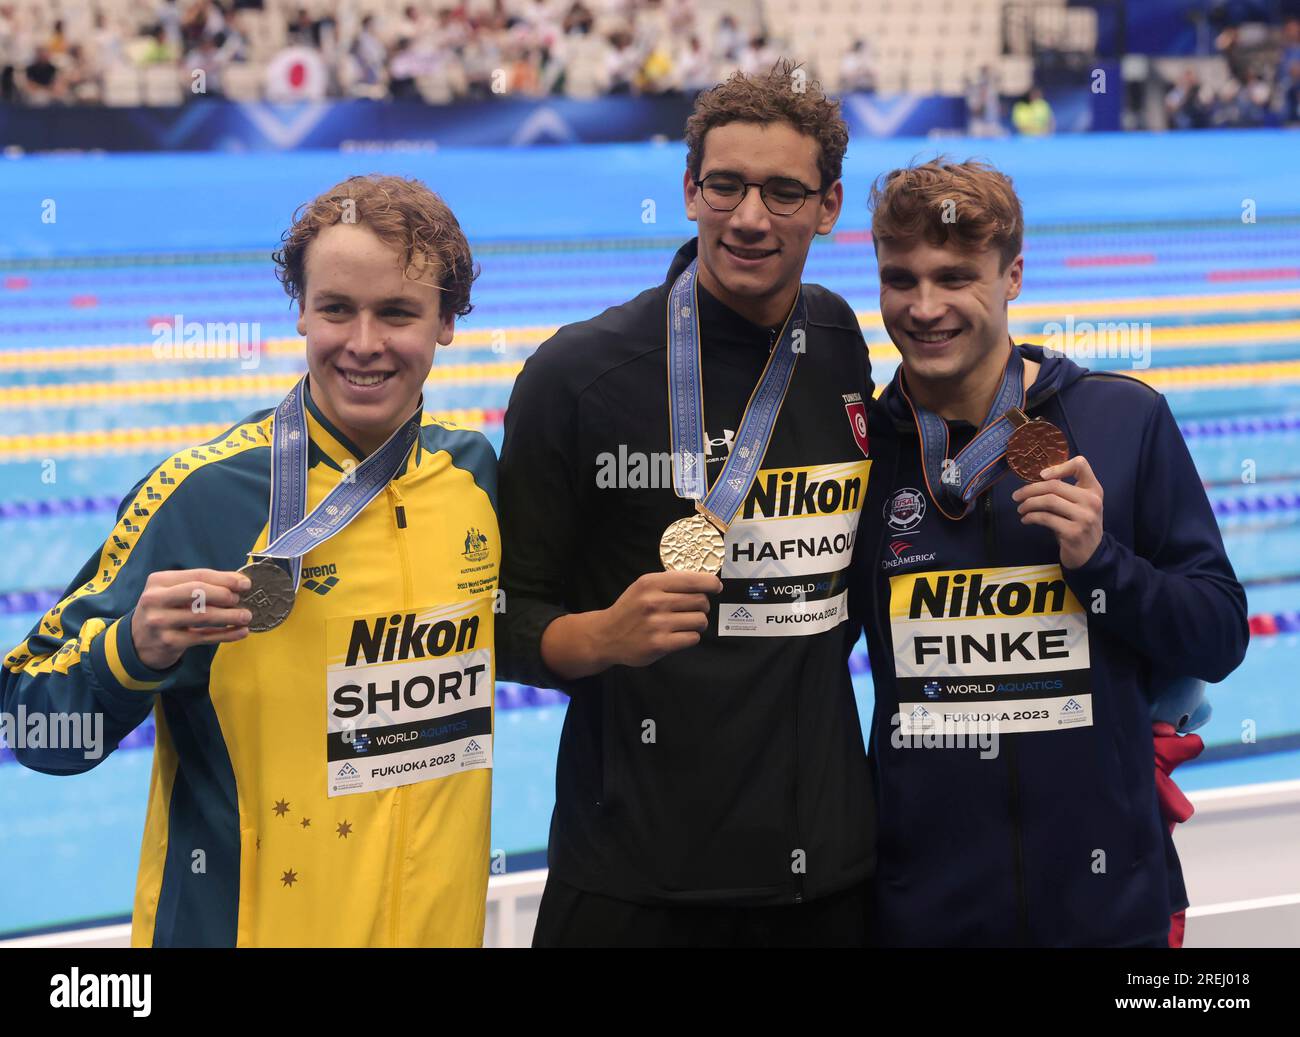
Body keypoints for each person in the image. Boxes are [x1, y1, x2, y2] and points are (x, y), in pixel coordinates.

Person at [1, 175, 499, 948]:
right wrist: (133, 648)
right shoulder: (204, 494)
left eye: (397, 312)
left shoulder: (473, 478)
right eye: (336, 308)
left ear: (446, 323)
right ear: (300, 311)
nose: (363, 342)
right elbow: (28, 719)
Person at [497, 60, 876, 947]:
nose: (750, 217)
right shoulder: (579, 376)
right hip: (635, 882)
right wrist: (597, 637)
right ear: (689, 191)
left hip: (823, 872)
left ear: (828, 207)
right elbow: (499, 617)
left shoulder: (839, 344)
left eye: (785, 192)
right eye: (727, 185)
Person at [854, 158, 1249, 946]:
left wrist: (1105, 562)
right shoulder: (863, 452)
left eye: (955, 276)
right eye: (902, 279)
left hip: (1109, 908)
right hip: (923, 914)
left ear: (1014, 276)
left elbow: (1219, 634)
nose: (924, 307)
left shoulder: (1120, 419)